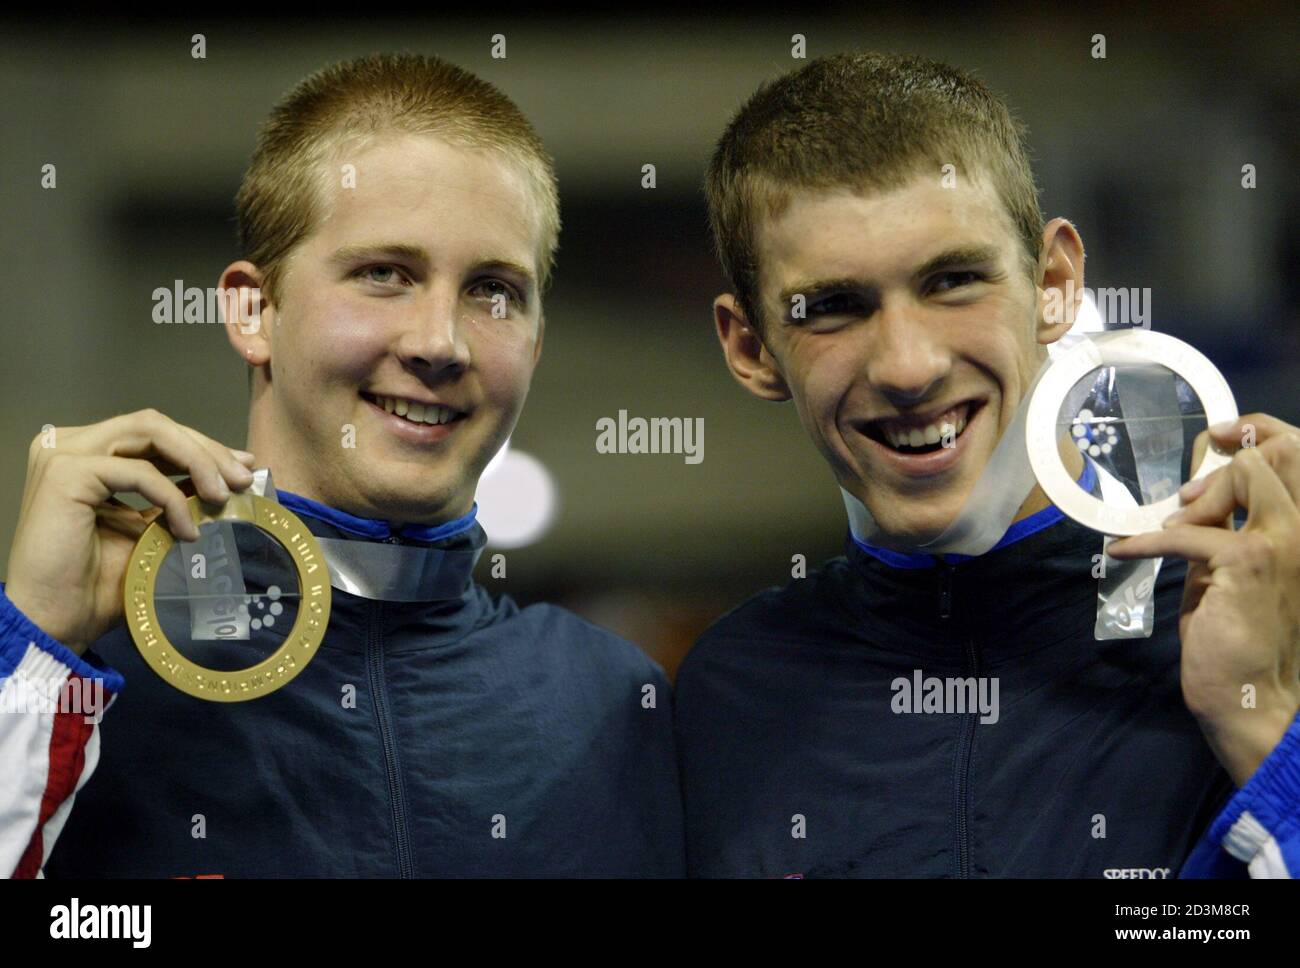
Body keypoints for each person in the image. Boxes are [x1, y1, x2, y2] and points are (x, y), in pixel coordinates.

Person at [0, 53, 683, 878]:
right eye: (384, 274)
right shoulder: (86, 676)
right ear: (254, 311)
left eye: (493, 290)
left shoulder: (615, 703)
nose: (440, 342)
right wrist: (31, 648)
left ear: (534, 342)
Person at [676, 51, 1299, 878]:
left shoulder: (1271, 618)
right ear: (751, 348)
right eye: (833, 306)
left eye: (954, 281)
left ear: (1055, 280)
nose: (906, 367)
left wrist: (1264, 725)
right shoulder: (731, 693)